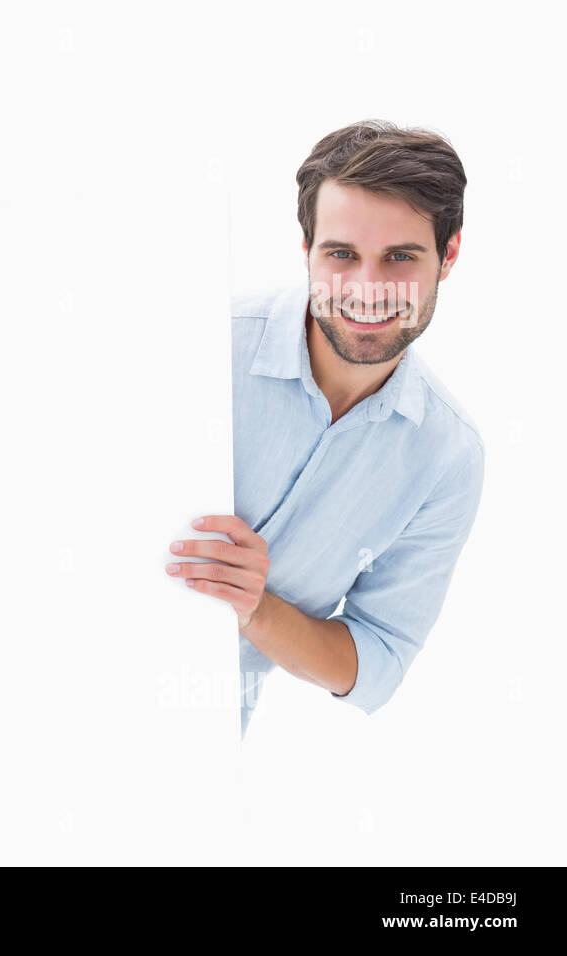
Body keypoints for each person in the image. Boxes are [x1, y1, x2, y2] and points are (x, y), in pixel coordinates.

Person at [163, 120, 484, 738]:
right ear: (306, 249)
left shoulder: (448, 458)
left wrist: (258, 609)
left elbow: (379, 661)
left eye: (400, 257)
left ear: (448, 256)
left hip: (206, 743)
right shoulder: (201, 342)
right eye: (342, 254)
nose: (367, 290)